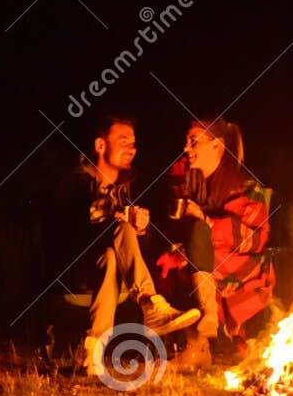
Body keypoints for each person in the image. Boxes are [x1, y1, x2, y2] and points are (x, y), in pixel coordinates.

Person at [59, 116, 199, 376]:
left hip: (112, 270)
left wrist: (141, 229)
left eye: (134, 143)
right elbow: (64, 235)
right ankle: (149, 302)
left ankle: (91, 354)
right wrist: (112, 223)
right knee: (116, 238)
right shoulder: (75, 183)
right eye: (123, 142)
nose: (131, 149)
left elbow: (140, 252)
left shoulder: (129, 187)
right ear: (100, 145)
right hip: (75, 270)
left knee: (113, 256)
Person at [158, 116, 273, 369]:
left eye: (193, 142)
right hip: (200, 259)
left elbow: (256, 237)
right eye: (186, 142)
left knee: (196, 237)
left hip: (238, 264)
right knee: (176, 259)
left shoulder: (241, 186)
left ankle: (206, 331)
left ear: (216, 145)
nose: (187, 149)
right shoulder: (189, 180)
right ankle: (198, 347)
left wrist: (206, 222)